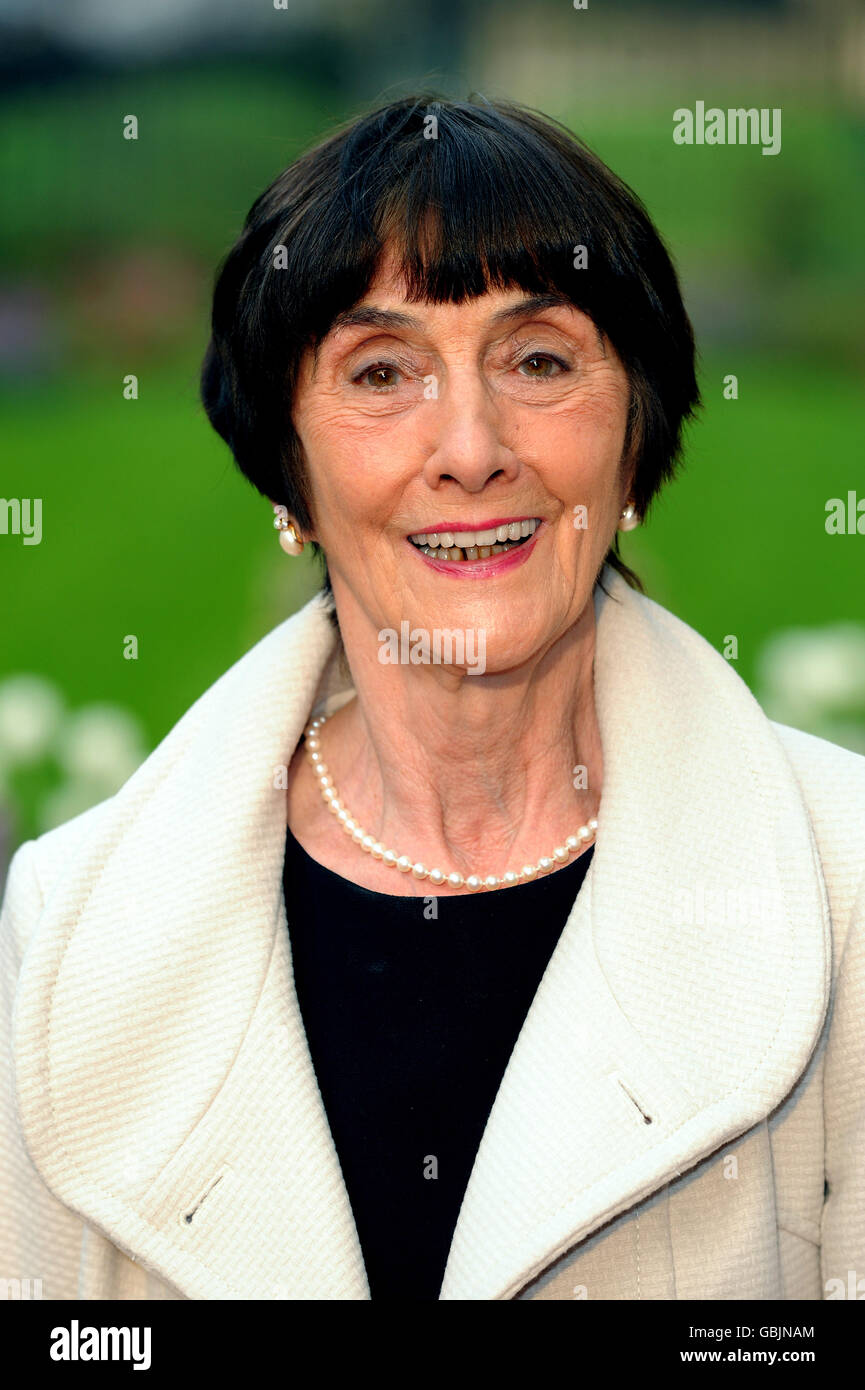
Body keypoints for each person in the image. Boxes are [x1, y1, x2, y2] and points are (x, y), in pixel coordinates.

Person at [1, 96, 862, 1302]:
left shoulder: (847, 886)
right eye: (381, 370)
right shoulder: (71, 920)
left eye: (540, 359)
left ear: (634, 442)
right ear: (287, 473)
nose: (469, 445)